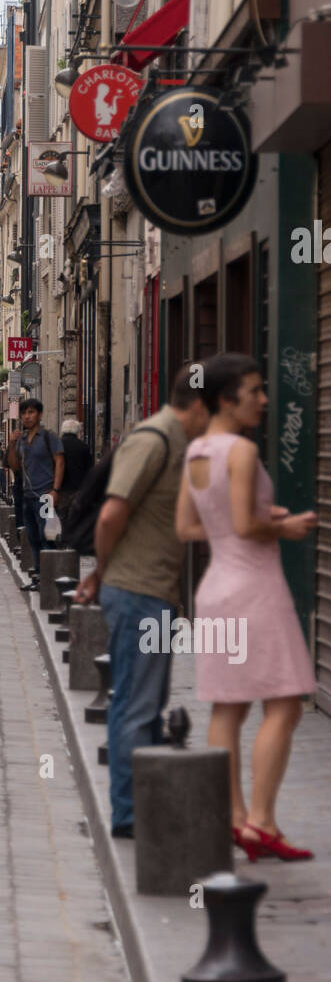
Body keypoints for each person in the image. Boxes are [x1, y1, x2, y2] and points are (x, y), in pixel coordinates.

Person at [175, 354, 317, 861]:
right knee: (285, 702)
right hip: (255, 588)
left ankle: (235, 820)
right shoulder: (238, 451)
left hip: (215, 589)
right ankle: (261, 819)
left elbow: (189, 528)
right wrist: (283, 525)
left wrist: (255, 517)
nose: (263, 399)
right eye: (255, 391)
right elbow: (244, 525)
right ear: (227, 398)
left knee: (227, 707)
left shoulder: (197, 452)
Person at [75, 367, 210, 838]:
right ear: (201, 404)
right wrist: (101, 572)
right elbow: (112, 514)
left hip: (152, 594)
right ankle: (129, 814)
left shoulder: (176, 442)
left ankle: (139, 807)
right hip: (137, 594)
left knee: (145, 704)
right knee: (135, 704)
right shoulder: (154, 440)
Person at [7, 399, 65, 591]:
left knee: (47, 536)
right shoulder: (22, 440)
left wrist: (55, 490)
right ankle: (40, 577)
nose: (27, 416)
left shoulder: (49, 437)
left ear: (39, 415)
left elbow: (60, 462)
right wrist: (12, 443)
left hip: (46, 495)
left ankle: (52, 580)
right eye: (24, 413)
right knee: (32, 537)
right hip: (27, 496)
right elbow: (14, 466)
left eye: (31, 412)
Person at [57, 419, 93, 526]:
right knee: (76, 519)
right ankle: (73, 539)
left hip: (61, 490)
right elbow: (89, 469)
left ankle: (63, 540)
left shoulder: (56, 446)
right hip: (78, 490)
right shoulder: (83, 447)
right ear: (77, 431)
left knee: (62, 517)